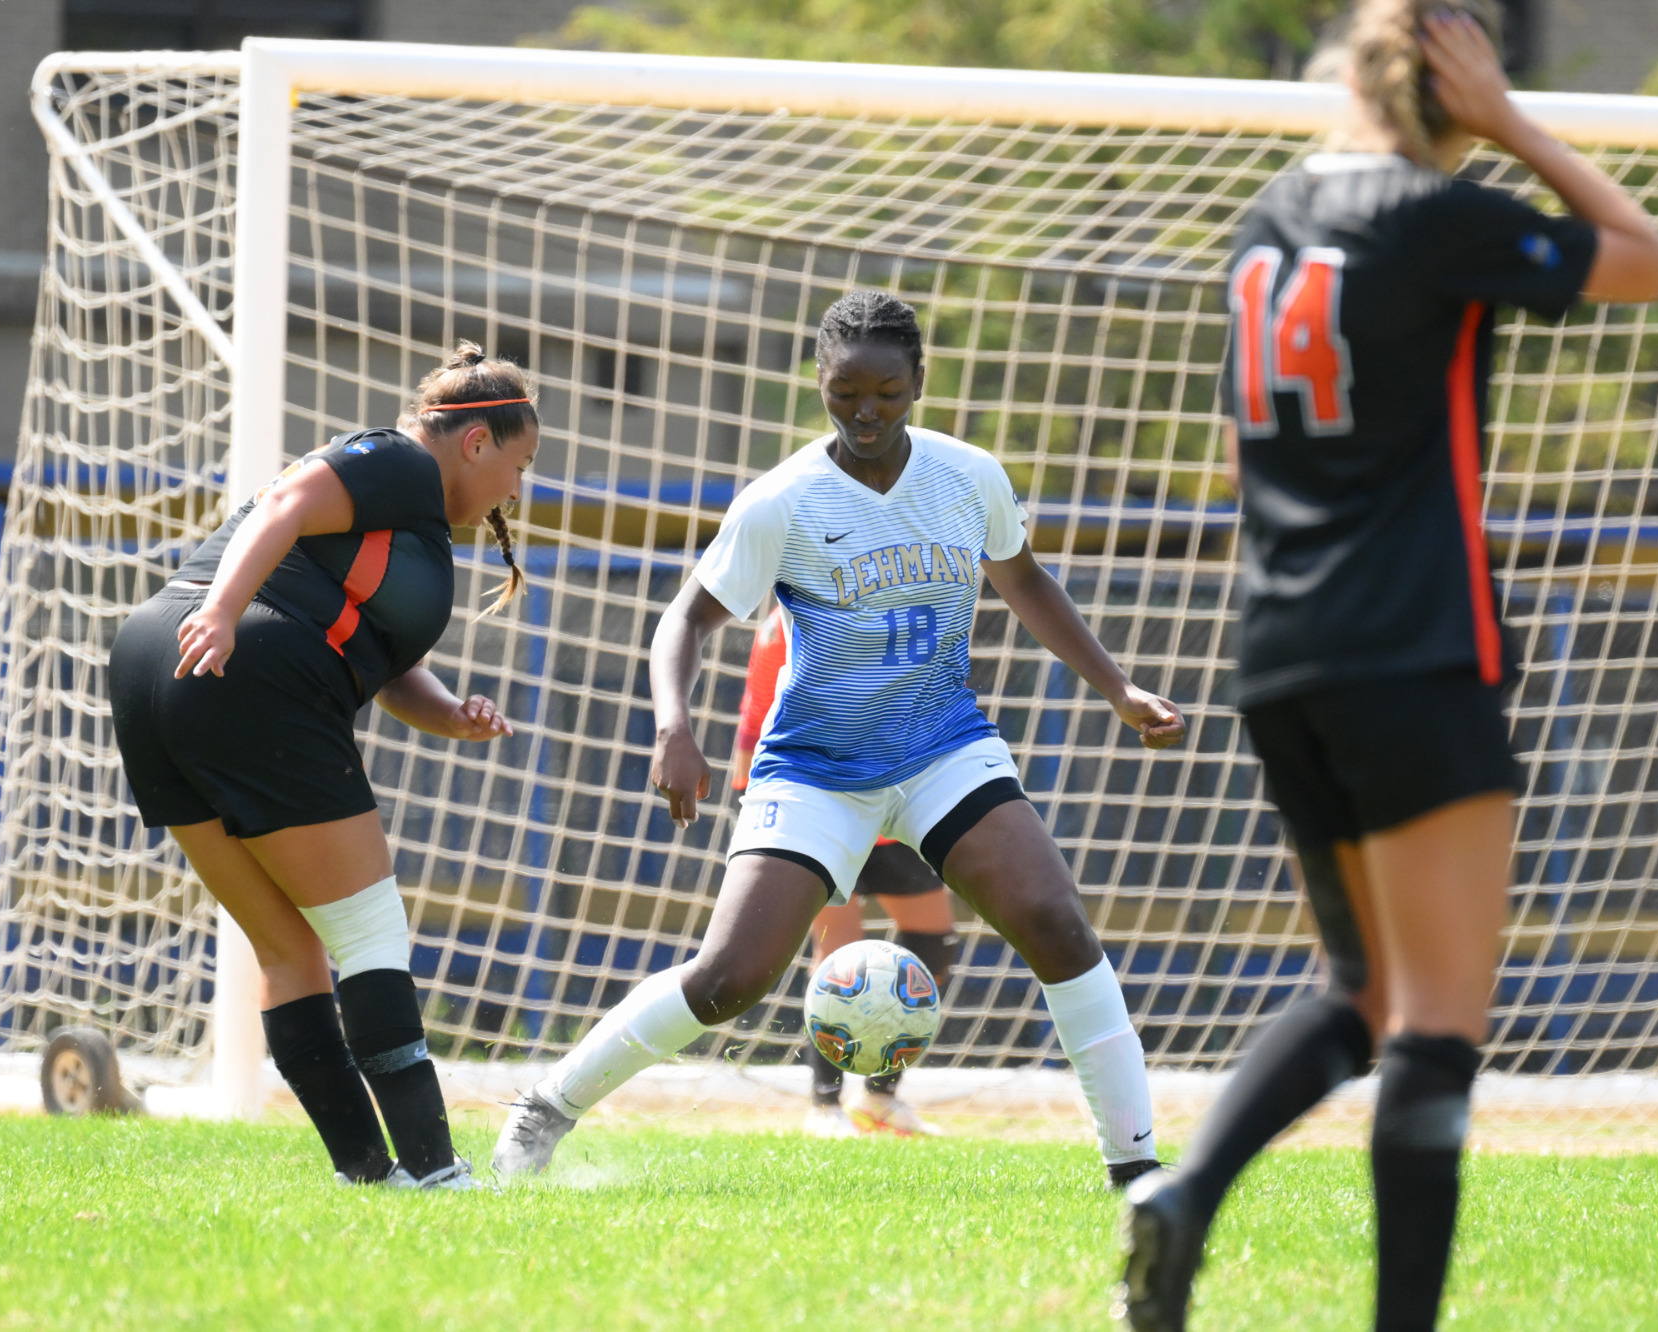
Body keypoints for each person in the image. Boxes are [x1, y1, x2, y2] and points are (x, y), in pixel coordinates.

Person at [1120, 5, 1658, 1329]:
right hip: (1417, 650)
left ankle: (1186, 1194)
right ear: (1453, 92)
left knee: (1364, 993)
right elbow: (1650, 261)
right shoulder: (1435, 218)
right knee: (1438, 1025)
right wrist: (1516, 126)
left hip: (1280, 658)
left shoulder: (1265, 222)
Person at [493, 288, 1187, 1187]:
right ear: (819, 382)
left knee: (1054, 920)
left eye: (888, 393)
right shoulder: (781, 500)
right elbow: (687, 622)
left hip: (942, 745)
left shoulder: (967, 476)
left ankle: (1136, 1172)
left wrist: (1119, 687)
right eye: (846, 391)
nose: (867, 412)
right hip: (816, 768)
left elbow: (1026, 582)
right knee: (730, 979)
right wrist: (675, 725)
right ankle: (544, 1108)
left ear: (919, 385)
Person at [109, 342, 538, 1189]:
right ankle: (436, 1170)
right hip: (236, 658)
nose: (517, 490)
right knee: (370, 931)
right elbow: (288, 502)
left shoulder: (403, 512)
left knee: (289, 950)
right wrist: (227, 612)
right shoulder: (400, 458)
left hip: (155, 667)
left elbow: (368, 653)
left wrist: (448, 712)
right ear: (475, 443)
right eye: (519, 464)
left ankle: (371, 1176)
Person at [732, 603, 959, 1138]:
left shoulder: (898, 599)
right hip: (817, 801)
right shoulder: (785, 622)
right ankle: (825, 1105)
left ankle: (879, 1097)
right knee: (837, 954)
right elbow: (757, 714)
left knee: (935, 942)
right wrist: (746, 796)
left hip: (891, 804)